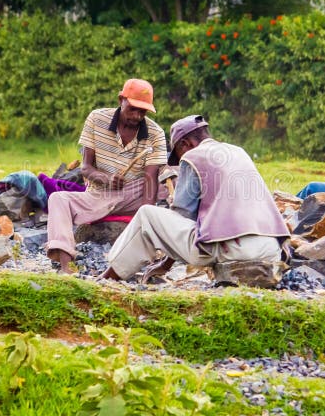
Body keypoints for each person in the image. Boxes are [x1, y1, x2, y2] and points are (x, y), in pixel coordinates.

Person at [100, 115, 289, 285]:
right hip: (271, 248)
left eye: (178, 153)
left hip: (234, 248)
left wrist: (165, 264)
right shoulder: (238, 152)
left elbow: (182, 216)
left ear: (185, 144)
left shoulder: (193, 156)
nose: (180, 160)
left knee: (146, 215)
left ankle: (107, 278)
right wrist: (167, 264)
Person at [46, 79, 167, 274]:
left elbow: (150, 182)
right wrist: (106, 180)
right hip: (99, 195)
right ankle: (66, 265)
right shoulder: (96, 119)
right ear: (121, 100)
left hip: (134, 194)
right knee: (57, 198)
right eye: (133, 109)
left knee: (167, 181)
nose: (137, 116)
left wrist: (144, 222)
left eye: (142, 112)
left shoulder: (155, 133)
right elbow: (85, 168)